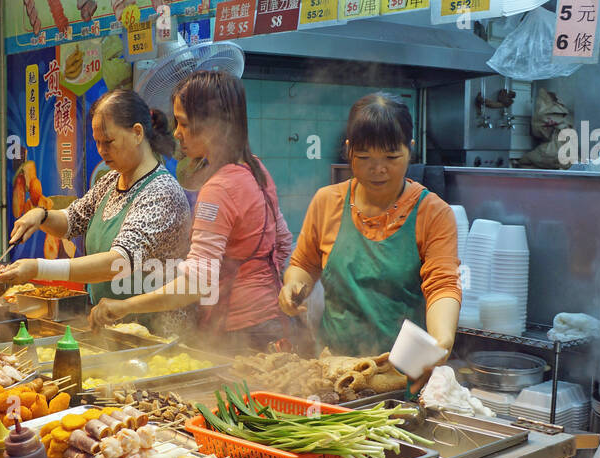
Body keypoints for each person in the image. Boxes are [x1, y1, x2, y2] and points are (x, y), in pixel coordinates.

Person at [89, 71, 294, 349]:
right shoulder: (256, 170)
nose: (176, 133)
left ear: (214, 124)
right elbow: (282, 244)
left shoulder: (219, 188)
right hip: (272, 322)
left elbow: (195, 283)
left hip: (236, 332)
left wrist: (124, 306)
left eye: (184, 123)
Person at [280, 92, 461, 369]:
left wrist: (442, 339)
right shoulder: (327, 201)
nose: (378, 169)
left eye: (391, 156)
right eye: (364, 157)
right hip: (333, 367)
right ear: (349, 150)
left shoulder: (433, 213)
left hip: (400, 372)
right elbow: (304, 264)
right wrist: (293, 285)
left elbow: (442, 285)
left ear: (410, 148)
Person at [0, 89, 193, 334]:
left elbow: (119, 262)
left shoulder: (161, 192)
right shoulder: (111, 181)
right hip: (115, 328)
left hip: (156, 334)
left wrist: (39, 268)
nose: (101, 150)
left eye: (108, 141)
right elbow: (72, 220)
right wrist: (41, 215)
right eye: (97, 142)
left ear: (137, 133)